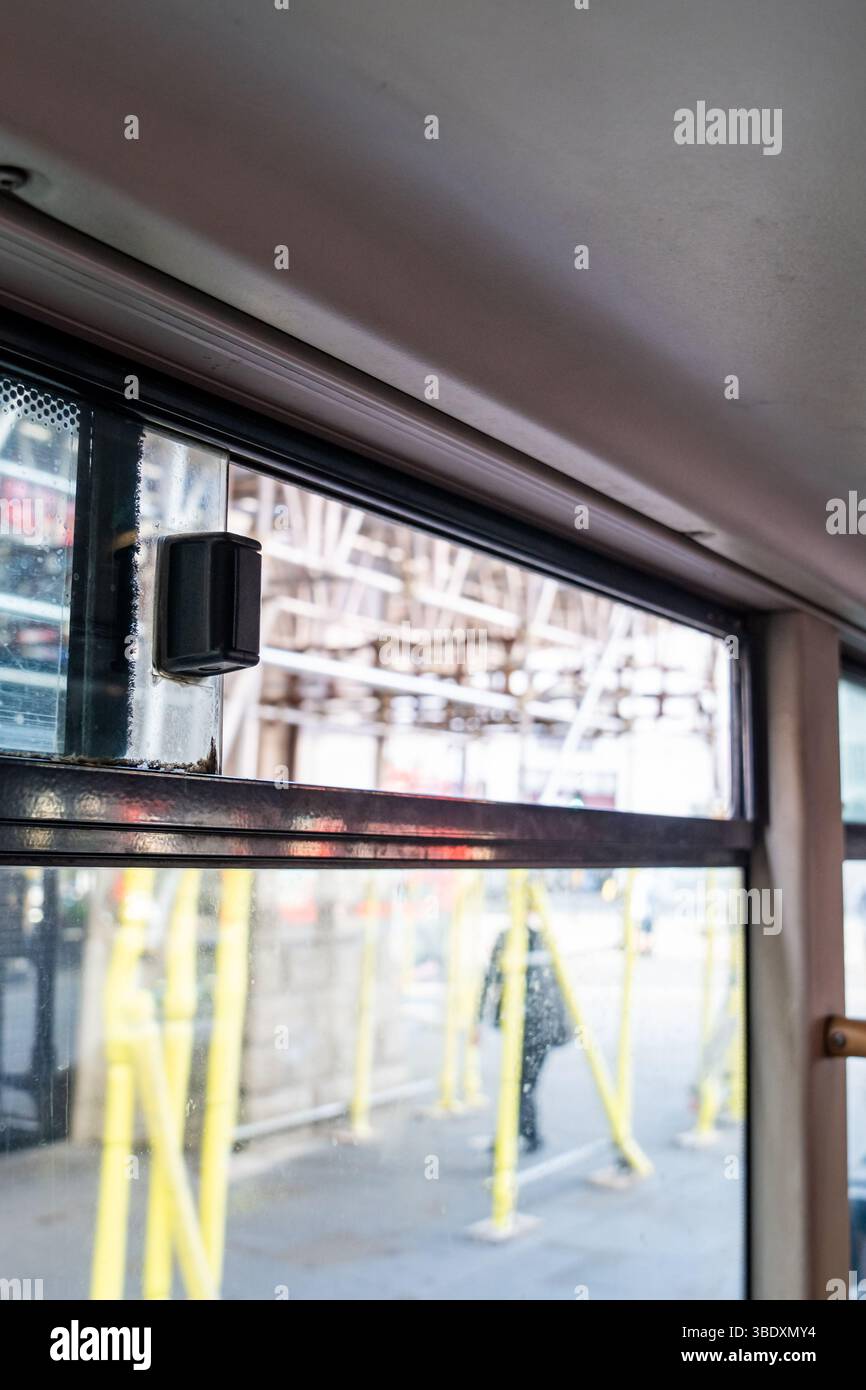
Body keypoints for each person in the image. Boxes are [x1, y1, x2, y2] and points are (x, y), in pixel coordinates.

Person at [478, 910, 572, 1153]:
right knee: (522, 1082)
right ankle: (525, 1134)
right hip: (539, 1024)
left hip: (529, 1024)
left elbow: (490, 979)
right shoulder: (541, 939)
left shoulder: (512, 938)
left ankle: (522, 1136)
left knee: (520, 1083)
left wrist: (478, 1019)